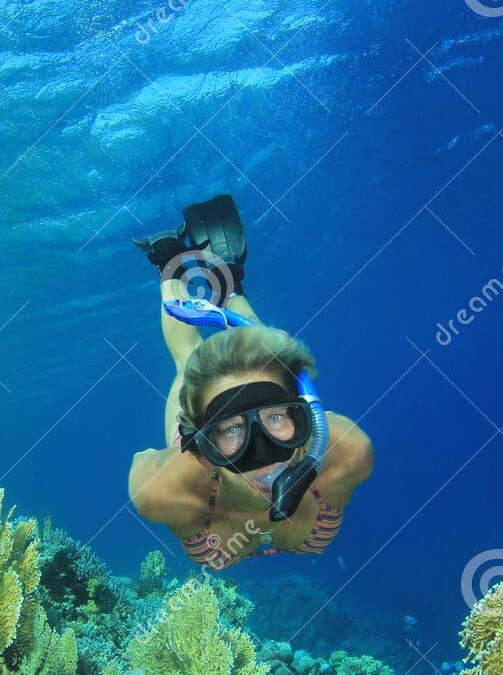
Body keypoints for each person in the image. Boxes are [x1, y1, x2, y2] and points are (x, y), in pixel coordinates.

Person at [127, 195, 374, 571]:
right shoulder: (165, 492)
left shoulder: (348, 456)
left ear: (305, 417)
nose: (263, 451)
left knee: (260, 347)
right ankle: (169, 261)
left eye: (276, 417)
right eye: (229, 428)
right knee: (188, 357)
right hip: (194, 462)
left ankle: (228, 283)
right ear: (200, 442)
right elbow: (141, 462)